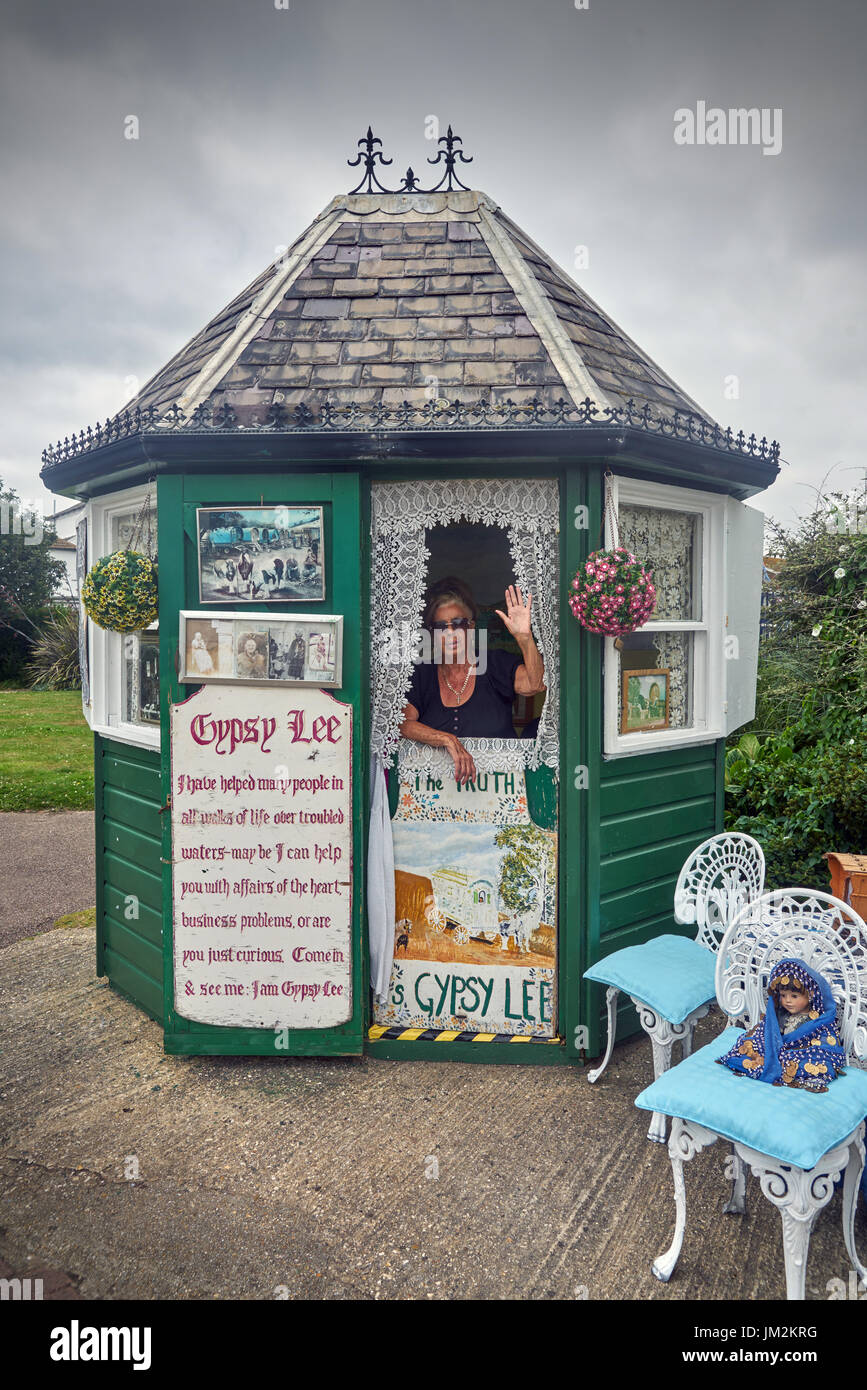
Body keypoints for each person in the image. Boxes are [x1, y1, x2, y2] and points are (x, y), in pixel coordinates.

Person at [400, 577, 545, 783]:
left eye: (458, 624)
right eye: (441, 627)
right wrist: (446, 739)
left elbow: (535, 684)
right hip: (434, 800)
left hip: (501, 795)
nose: (451, 634)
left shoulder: (495, 664)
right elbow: (401, 723)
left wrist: (524, 637)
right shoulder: (423, 674)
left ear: (471, 627)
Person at [716, 957, 846, 1092]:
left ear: (811, 994)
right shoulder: (779, 1014)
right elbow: (767, 1031)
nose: (787, 1001)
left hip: (799, 1052)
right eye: (783, 996)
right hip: (775, 1050)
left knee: (810, 1061)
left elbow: (823, 1044)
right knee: (750, 1041)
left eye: (794, 996)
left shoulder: (818, 1021)